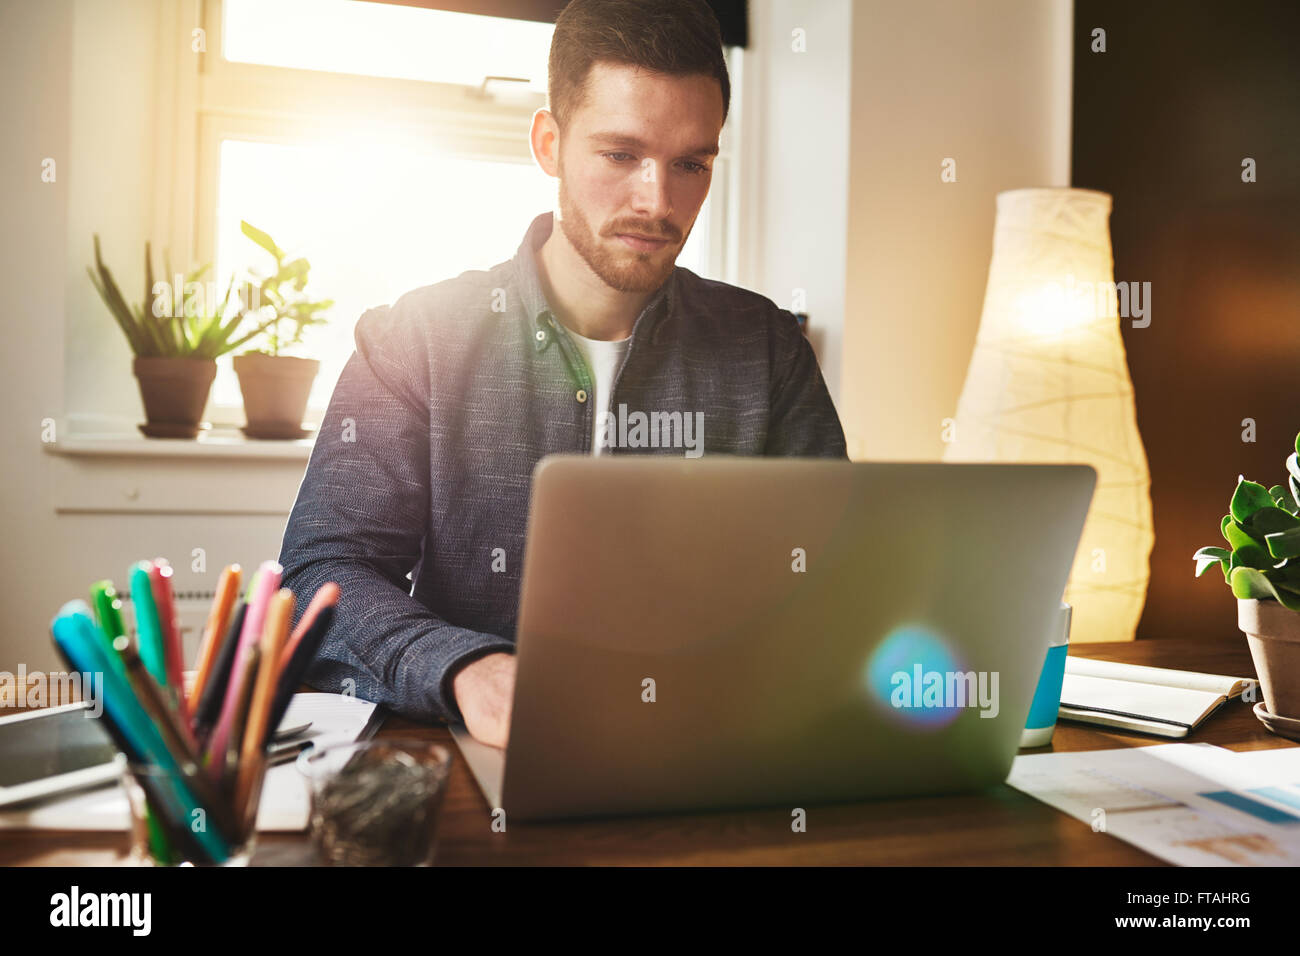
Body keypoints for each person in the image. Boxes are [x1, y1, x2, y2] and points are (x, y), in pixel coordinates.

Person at [278, 0, 847, 748]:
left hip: (713, 755)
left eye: (691, 164)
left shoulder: (767, 350)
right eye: (620, 155)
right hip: (482, 764)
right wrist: (465, 669)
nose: (658, 200)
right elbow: (320, 577)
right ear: (549, 142)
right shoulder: (415, 339)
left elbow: (835, 576)